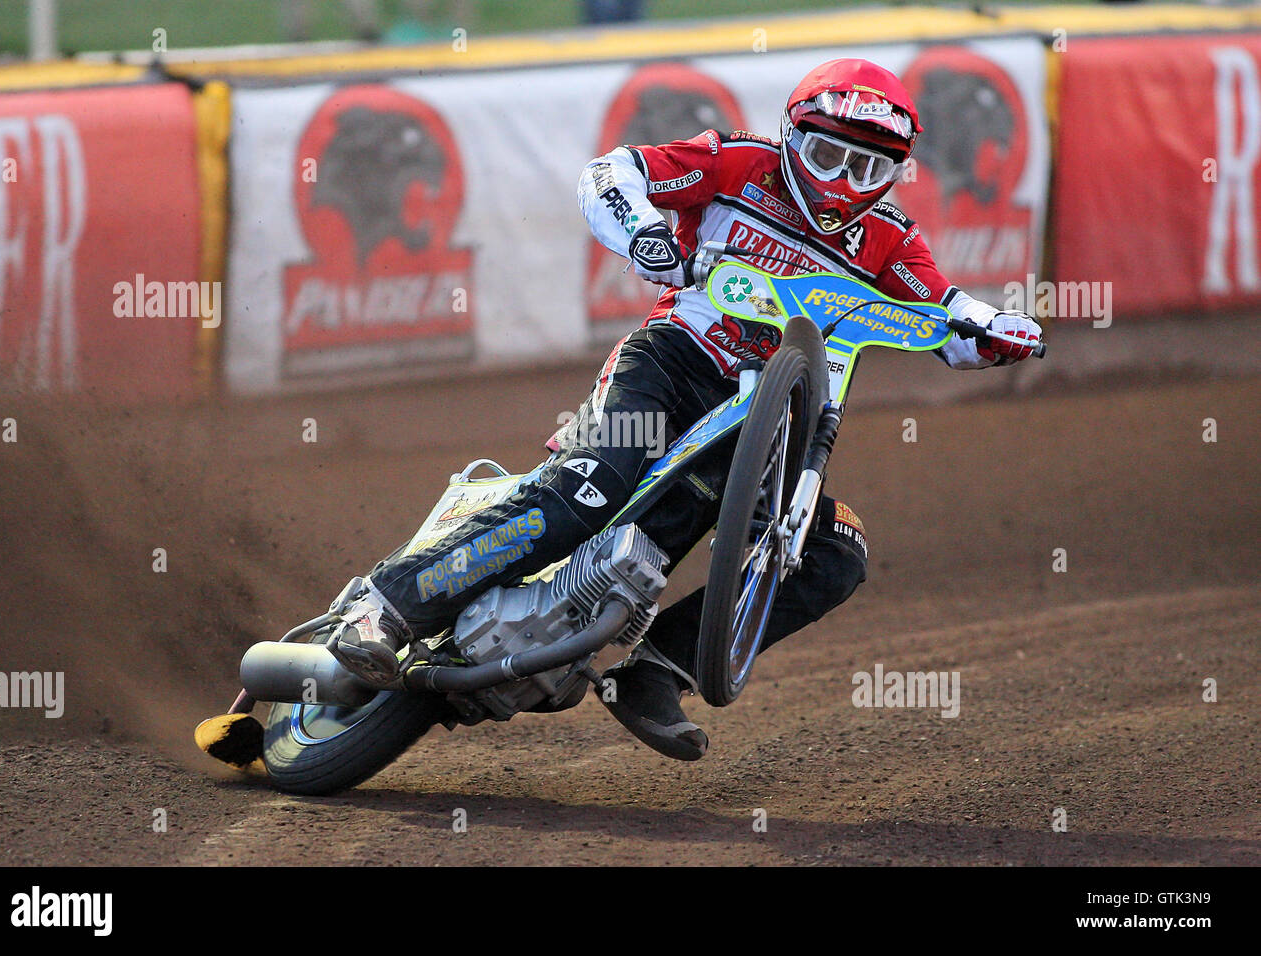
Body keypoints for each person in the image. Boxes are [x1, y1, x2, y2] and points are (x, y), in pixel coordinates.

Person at [334, 58, 1042, 762]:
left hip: (763, 422)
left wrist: (998, 330)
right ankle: (386, 608)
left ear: (893, 175)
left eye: (867, 170)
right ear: (794, 136)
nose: (841, 183)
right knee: (589, 487)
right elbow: (611, 173)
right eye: (828, 155)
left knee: (837, 551)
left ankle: (654, 672)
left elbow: (949, 318)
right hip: (670, 364)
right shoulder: (737, 164)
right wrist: (643, 233)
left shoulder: (890, 239)